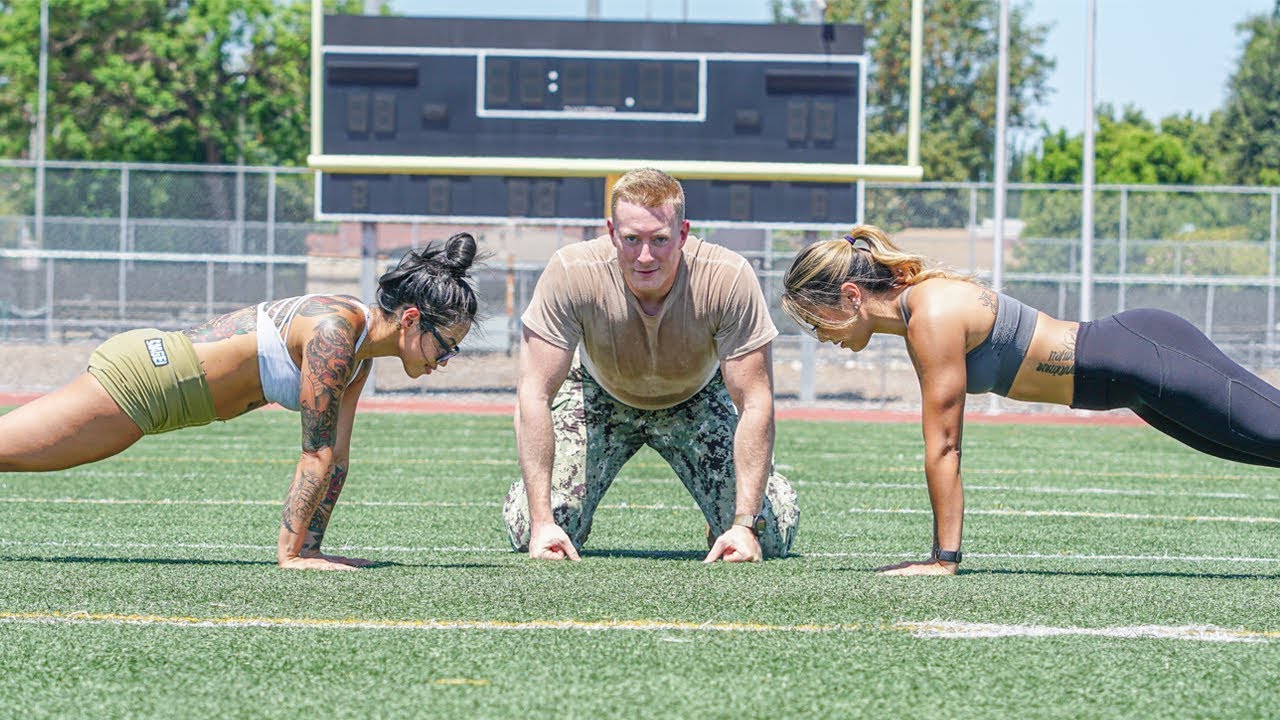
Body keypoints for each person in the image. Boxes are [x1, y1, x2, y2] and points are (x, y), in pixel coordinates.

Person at [781, 223, 1280, 576]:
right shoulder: (920, 314)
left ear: (851, 296)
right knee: (1267, 448)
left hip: (1147, 356)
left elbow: (945, 446)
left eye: (815, 319)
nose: (819, 336)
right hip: (1135, 383)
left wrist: (943, 561)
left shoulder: (931, 318)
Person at [0, 232, 483, 571]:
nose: (446, 358)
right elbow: (314, 453)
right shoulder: (337, 334)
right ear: (412, 319)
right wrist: (291, 555)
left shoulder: (360, 356)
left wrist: (312, 549)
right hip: (144, 384)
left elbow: (337, 458)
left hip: (160, 399)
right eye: (446, 344)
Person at [503, 168, 799, 563]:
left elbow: (755, 402)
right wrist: (542, 522)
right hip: (598, 394)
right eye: (631, 239)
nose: (645, 256)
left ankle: (752, 499)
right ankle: (534, 505)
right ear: (611, 232)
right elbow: (534, 392)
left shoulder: (728, 277)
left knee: (771, 539)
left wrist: (743, 525)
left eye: (659, 239)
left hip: (696, 397)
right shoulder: (572, 272)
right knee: (530, 535)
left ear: (683, 233)